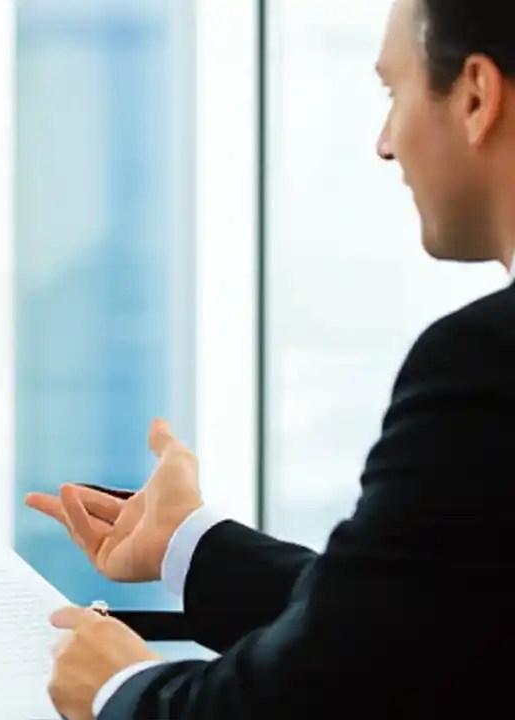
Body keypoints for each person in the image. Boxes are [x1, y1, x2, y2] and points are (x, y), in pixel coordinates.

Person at [27, 0, 515, 717]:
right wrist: (188, 544)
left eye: (393, 92)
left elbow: (316, 697)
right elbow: (407, 618)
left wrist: (120, 689)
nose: (385, 142)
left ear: (475, 96)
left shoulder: (483, 364)